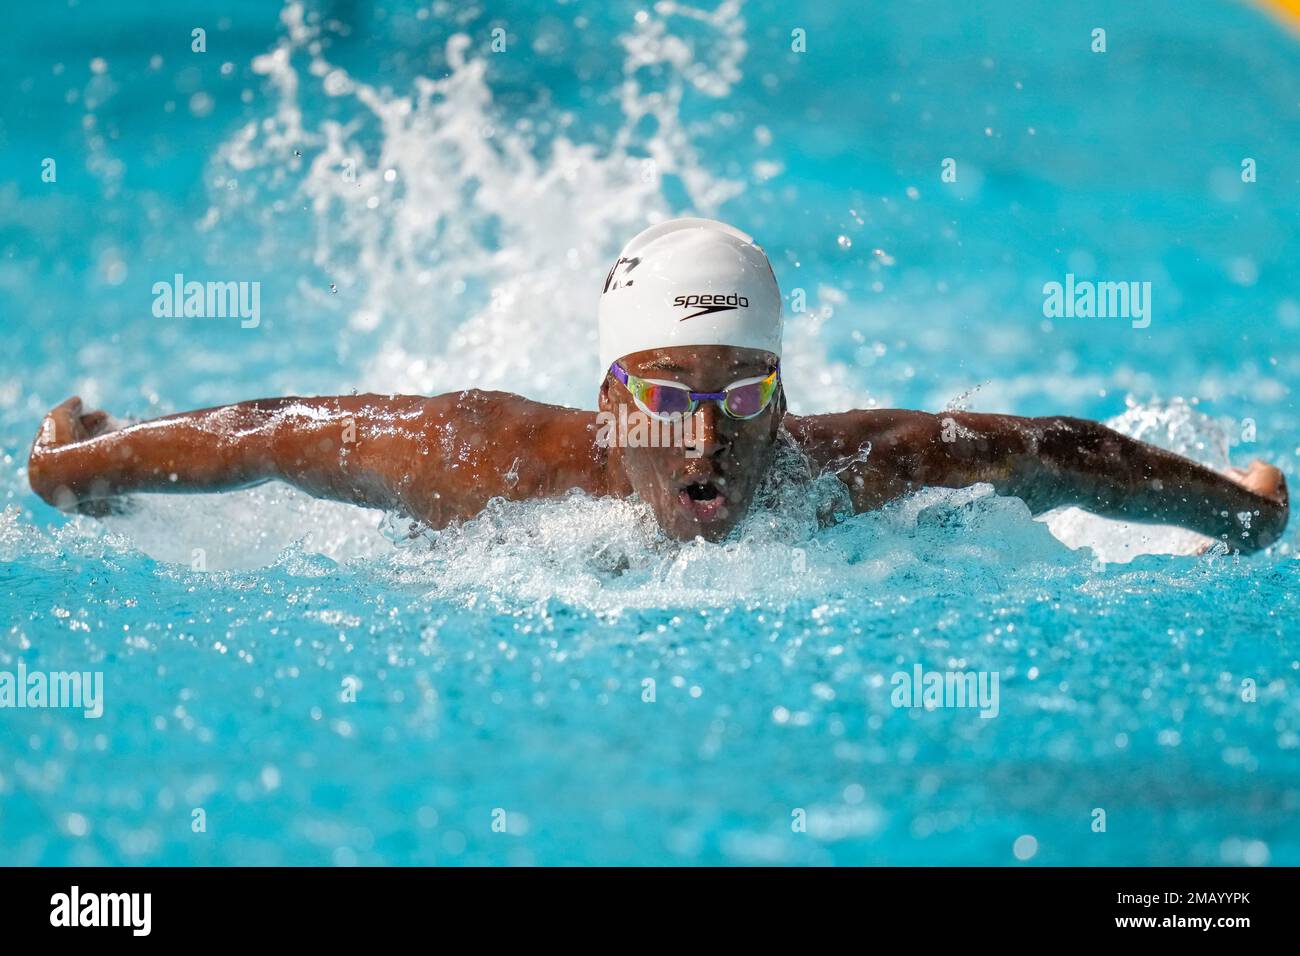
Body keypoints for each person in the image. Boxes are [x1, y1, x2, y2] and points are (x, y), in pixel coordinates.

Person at [27, 218, 1289, 551]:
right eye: (669, 398)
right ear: (608, 404)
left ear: (783, 403)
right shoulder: (489, 462)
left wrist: (1240, 508)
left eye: (744, 398)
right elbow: (264, 432)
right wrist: (73, 462)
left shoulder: (847, 469)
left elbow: (1046, 446)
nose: (712, 438)